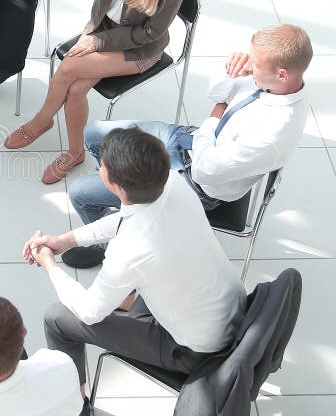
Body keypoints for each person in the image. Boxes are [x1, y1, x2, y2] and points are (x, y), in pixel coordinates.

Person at [24, 127, 246, 416]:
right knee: (131, 285)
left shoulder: (130, 250)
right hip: (231, 310)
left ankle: (74, 404)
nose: (99, 167)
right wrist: (66, 240)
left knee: (57, 318)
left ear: (115, 185)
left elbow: (90, 313)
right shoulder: (173, 184)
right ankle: (129, 310)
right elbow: (127, 218)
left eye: (101, 165)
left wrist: (50, 264)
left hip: (194, 349)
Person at [63, 23, 312, 268]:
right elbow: (215, 96)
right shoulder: (272, 81)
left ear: (282, 74)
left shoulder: (275, 132)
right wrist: (230, 72)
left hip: (194, 182)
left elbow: (205, 169)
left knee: (80, 193)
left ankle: (111, 244)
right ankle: (125, 196)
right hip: (192, 142)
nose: (250, 65)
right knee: (94, 133)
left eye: (255, 64)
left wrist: (213, 118)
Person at [4, 0, 187, 184]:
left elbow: (149, 33)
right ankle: (75, 153)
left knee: (68, 68)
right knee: (75, 90)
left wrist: (96, 43)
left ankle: (41, 121)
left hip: (139, 49)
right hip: (101, 28)